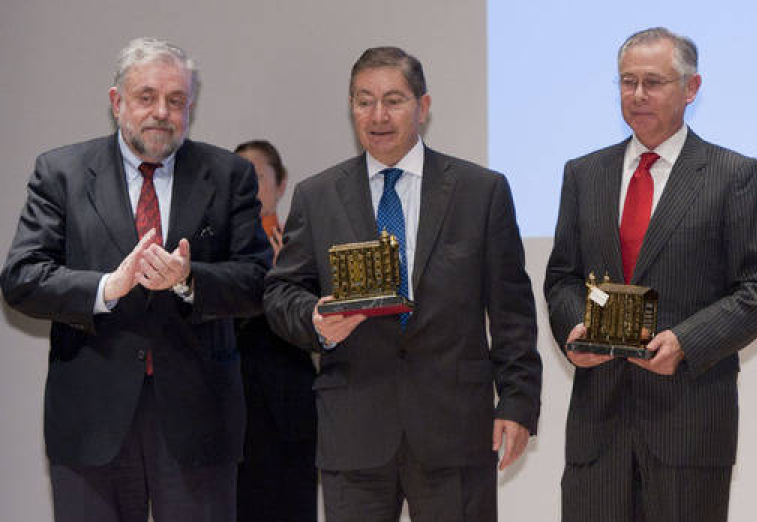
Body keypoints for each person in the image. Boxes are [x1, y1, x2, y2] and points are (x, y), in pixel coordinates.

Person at [262, 46, 542, 522]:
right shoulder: (317, 195)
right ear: (350, 108)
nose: (378, 115)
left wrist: (517, 403)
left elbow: (512, 313)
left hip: (455, 431)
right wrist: (314, 321)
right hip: (355, 432)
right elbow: (279, 294)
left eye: (393, 100)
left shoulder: (480, 191)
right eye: (364, 100)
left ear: (423, 107)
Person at [0, 37, 271, 521]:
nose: (161, 112)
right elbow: (22, 277)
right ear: (116, 102)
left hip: (197, 418)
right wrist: (107, 288)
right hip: (91, 418)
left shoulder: (229, 175)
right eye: (146, 97)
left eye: (176, 100)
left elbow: (257, 281)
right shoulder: (60, 172)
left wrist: (190, 279)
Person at [544, 27, 757, 522]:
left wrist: (685, 343)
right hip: (598, 429)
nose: (637, 95)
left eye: (652, 82)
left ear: (691, 88)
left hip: (689, 425)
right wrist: (574, 332)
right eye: (626, 82)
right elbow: (562, 277)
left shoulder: (733, 174)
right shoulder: (583, 174)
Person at [233, 140, 317, 522]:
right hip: (235, 410)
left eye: (257, 176)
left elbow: (320, 324)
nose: (248, 186)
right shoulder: (216, 254)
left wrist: (288, 280)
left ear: (281, 184)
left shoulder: (302, 247)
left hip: (292, 407)